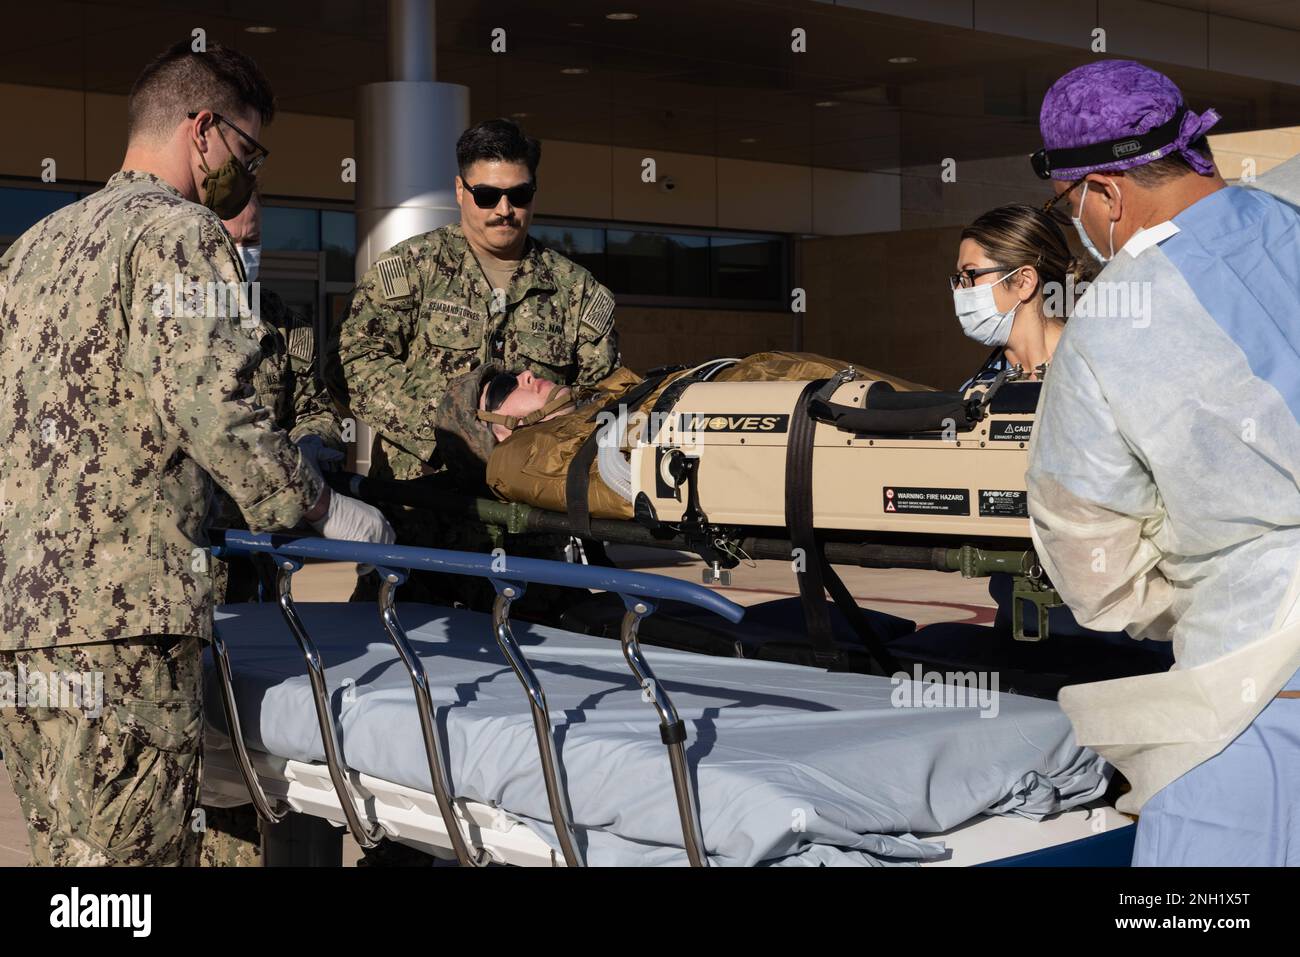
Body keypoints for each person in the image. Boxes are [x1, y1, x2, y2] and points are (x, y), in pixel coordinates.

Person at [0, 40, 391, 866]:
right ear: (203, 131)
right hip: (128, 626)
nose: (248, 176)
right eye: (249, 153)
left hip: (23, 627)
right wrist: (321, 507)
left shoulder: (31, 251)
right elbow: (222, 416)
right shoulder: (180, 234)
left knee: (79, 869)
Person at [1025, 59, 1300, 865]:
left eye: (1067, 206)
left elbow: (1097, 566)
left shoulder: (1110, 323)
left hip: (1257, 684)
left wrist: (1218, 588)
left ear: (1104, 193)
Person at [336, 117, 620, 609]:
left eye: (519, 194)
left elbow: (601, 402)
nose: (505, 210)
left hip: (527, 538)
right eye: (487, 195)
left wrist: (536, 444)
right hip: (418, 526)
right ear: (460, 190)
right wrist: (456, 428)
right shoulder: (412, 269)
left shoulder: (576, 293)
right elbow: (353, 364)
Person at [951, 203, 1092, 381]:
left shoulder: (1094, 369)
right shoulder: (979, 389)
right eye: (958, 278)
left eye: (970, 273)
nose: (958, 289)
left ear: (1024, 281)